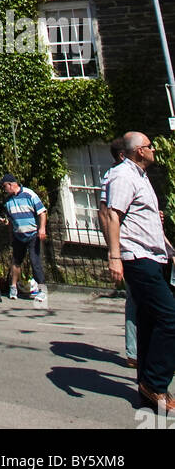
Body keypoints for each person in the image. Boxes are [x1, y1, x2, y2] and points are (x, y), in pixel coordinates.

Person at [103, 131, 175, 413]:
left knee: (149, 323)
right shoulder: (123, 175)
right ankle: (155, 382)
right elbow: (113, 215)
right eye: (149, 146)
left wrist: (167, 246)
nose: (154, 149)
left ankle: (148, 392)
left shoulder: (140, 176)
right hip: (137, 258)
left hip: (154, 256)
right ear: (138, 152)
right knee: (170, 318)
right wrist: (114, 256)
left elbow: (143, 219)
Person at [98, 135, 137, 366]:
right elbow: (105, 213)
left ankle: (138, 350)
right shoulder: (115, 176)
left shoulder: (132, 174)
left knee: (140, 299)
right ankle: (135, 352)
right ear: (124, 155)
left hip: (146, 248)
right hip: (130, 247)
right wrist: (113, 252)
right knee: (137, 299)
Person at [0, 175, 48, 305]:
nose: (4, 190)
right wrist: (11, 235)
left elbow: (42, 212)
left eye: (4, 187)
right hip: (18, 235)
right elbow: (10, 221)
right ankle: (13, 287)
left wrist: (42, 229)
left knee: (35, 261)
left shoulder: (29, 194)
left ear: (11, 185)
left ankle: (42, 289)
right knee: (16, 262)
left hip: (32, 234)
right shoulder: (7, 201)